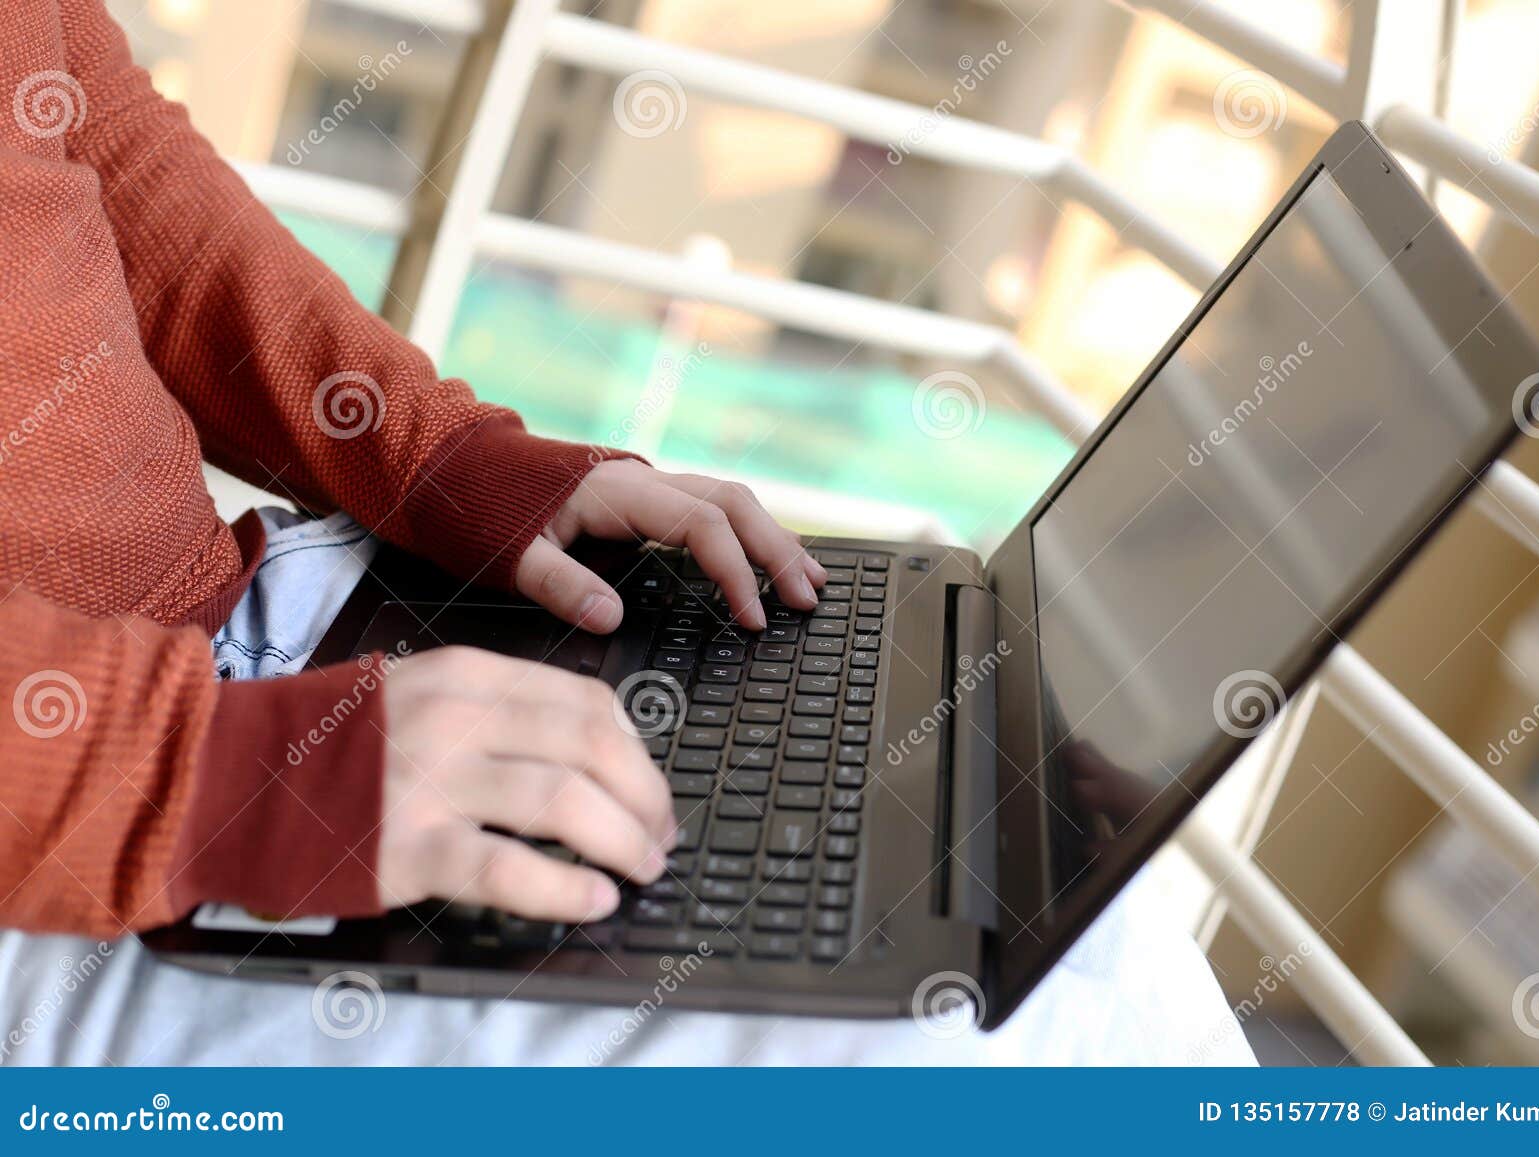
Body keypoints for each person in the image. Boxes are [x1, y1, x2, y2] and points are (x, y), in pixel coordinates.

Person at [0, 0, 1255, 1066]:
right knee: (978, 1045)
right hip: (63, 883)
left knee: (1069, 911)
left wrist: (441, 458)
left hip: (230, 649)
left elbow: (81, 126)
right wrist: (210, 773)